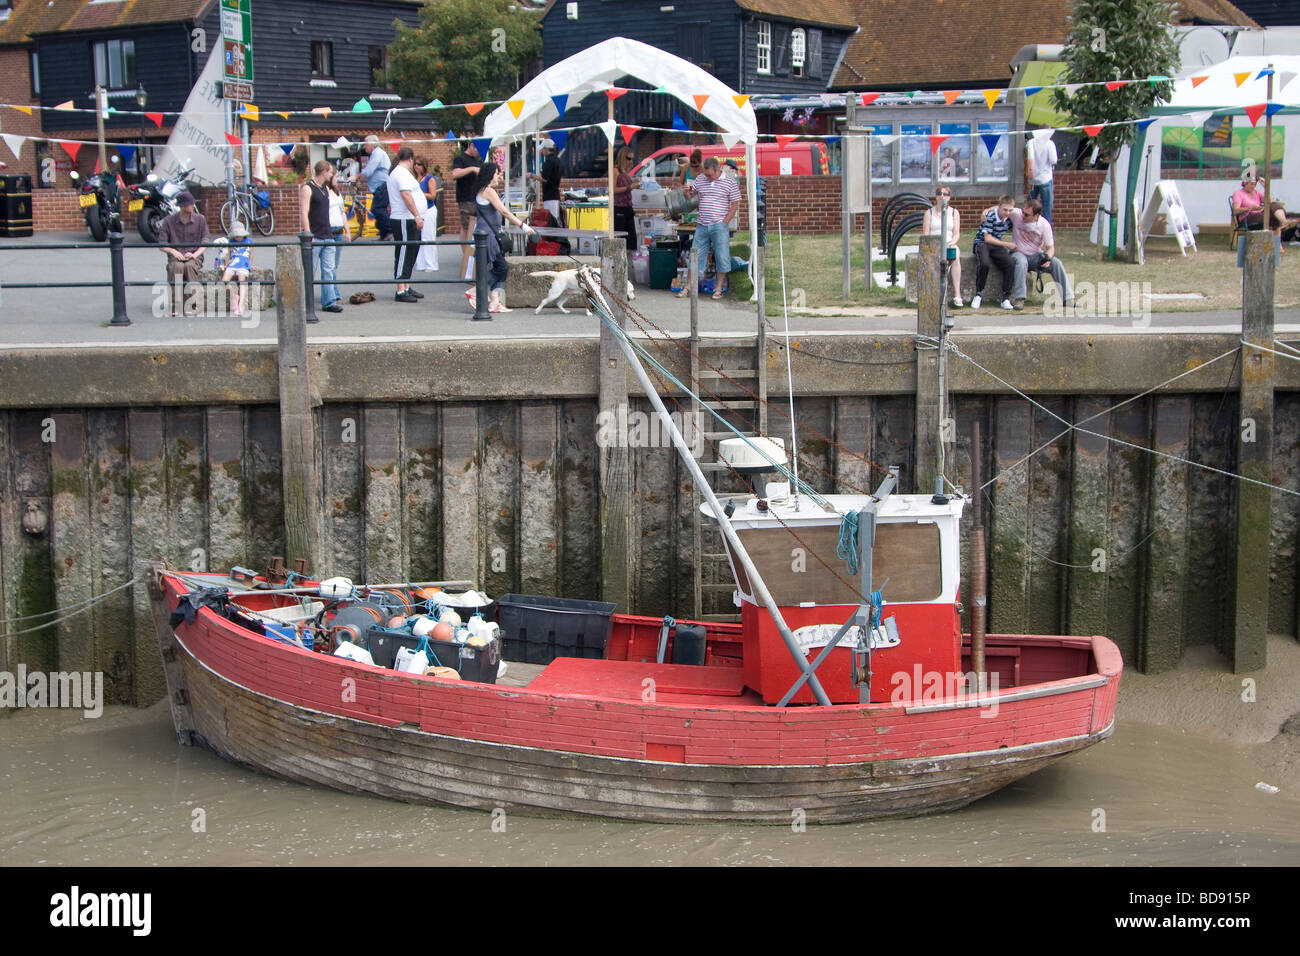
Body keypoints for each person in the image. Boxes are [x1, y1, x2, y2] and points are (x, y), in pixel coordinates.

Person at [470, 160, 534, 314]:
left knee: (488, 267)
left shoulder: (481, 190)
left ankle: (494, 302)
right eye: (497, 173)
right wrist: (523, 225)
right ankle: (476, 291)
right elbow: (504, 211)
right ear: (491, 174)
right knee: (502, 267)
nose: (499, 176)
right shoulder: (489, 191)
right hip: (490, 236)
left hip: (483, 234)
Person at [677, 156, 740, 300]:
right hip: (702, 224)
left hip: (719, 224)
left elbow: (735, 204)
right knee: (696, 255)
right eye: (706, 174)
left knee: (721, 256)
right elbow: (690, 197)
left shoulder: (729, 181)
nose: (707, 177)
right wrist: (686, 192)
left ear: (718, 170)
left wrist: (725, 221)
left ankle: (718, 288)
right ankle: (688, 286)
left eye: (710, 174)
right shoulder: (700, 179)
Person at [1007, 198, 1072, 310]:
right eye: (1023, 212)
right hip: (1018, 252)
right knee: (1021, 261)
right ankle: (1019, 299)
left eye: (1027, 215)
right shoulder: (1017, 214)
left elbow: (1050, 248)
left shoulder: (1044, 225)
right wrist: (986, 211)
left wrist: (1048, 258)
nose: (1023, 216)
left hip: (1035, 255)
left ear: (1036, 216)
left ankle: (1068, 299)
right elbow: (1001, 208)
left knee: (1056, 263)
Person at [301, 159, 343, 313]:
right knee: (310, 270)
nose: (332, 175)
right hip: (315, 236)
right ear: (324, 171)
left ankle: (329, 301)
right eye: (331, 172)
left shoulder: (325, 188)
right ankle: (306, 301)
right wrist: (307, 233)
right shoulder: (307, 188)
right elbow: (304, 212)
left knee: (329, 270)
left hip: (328, 234)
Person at [157, 190, 208, 317]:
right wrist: (173, 251)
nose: (192, 206)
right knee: (177, 267)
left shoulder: (200, 219)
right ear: (182, 206)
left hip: (193, 255)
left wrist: (195, 254)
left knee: (190, 266)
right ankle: (176, 304)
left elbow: (205, 241)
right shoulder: (169, 221)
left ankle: (193, 303)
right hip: (176, 256)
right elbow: (161, 244)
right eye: (190, 204)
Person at [388, 146, 426, 303]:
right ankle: (400, 289)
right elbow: (406, 194)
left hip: (408, 218)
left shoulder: (401, 173)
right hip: (404, 218)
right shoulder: (401, 173)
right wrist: (416, 215)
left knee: (411, 251)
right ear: (410, 159)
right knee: (404, 252)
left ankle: (406, 285)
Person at [970, 195, 1017, 311]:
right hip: (982, 243)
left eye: (1010, 210)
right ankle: (978, 294)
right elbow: (987, 239)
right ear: (999, 207)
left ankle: (1006, 297)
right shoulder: (990, 215)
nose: (1007, 213)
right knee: (985, 263)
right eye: (1005, 210)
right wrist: (1007, 244)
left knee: (1010, 263)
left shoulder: (1011, 217)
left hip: (996, 245)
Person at [922, 186, 963, 308]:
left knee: (955, 257)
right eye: (939, 193)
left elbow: (956, 233)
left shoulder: (954, 213)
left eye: (945, 194)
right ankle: (933, 296)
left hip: (949, 243)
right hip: (934, 244)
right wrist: (932, 244)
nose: (942, 196)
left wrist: (952, 242)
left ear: (949, 197)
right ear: (936, 196)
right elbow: (926, 233)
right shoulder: (929, 213)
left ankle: (957, 294)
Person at [449, 140, 481, 280]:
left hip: (476, 197)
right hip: (466, 198)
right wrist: (472, 169)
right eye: (477, 149)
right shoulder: (461, 158)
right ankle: (466, 257)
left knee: (474, 228)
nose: (479, 153)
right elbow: (454, 174)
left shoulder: (476, 159)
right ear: (471, 146)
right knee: (466, 227)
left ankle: (471, 256)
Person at [326, 166, 352, 309]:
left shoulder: (337, 193)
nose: (338, 179)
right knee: (329, 266)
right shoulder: (324, 192)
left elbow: (342, 213)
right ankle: (333, 293)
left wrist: (347, 231)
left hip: (338, 231)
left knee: (334, 265)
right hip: (328, 231)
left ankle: (333, 291)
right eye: (336, 176)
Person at [359, 134, 392, 241]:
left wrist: (356, 177)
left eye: (366, 144)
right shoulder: (374, 154)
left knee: (377, 208)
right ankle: (384, 234)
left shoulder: (378, 153)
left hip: (382, 186)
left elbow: (368, 171)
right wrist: (360, 179)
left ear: (372, 144)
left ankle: (390, 229)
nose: (364, 147)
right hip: (379, 187)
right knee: (380, 209)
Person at [528, 138, 564, 222]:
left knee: (551, 221)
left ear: (546, 149)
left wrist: (531, 175)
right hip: (555, 195)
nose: (542, 151)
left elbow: (544, 178)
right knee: (555, 219)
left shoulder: (549, 162)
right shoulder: (557, 160)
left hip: (549, 196)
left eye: (543, 149)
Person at [1026, 127, 1058, 222]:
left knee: (1030, 205)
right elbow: (1053, 160)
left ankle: (1029, 223)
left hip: (1032, 179)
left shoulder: (1030, 142)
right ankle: (1046, 226)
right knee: (1047, 206)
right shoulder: (1050, 143)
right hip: (1045, 178)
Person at [414, 156, 439, 273]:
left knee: (428, 236)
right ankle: (421, 263)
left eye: (419, 164)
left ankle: (431, 264)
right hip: (419, 211)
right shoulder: (415, 178)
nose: (416, 166)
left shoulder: (430, 178)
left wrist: (420, 194)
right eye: (415, 164)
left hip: (428, 210)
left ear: (424, 166)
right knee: (419, 237)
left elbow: (432, 195)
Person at [221, 221, 252, 317]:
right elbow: (228, 254)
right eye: (236, 236)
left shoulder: (249, 241)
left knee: (241, 281)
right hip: (232, 264)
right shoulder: (230, 242)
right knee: (224, 281)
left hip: (243, 264)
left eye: (240, 235)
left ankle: (240, 305)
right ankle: (234, 298)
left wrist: (250, 264)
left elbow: (251, 254)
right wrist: (226, 265)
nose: (238, 237)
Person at [611, 147, 636, 249]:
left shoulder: (624, 172)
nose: (630, 161)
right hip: (619, 207)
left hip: (628, 207)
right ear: (622, 157)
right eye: (628, 158)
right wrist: (629, 187)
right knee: (621, 237)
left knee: (631, 238)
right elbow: (613, 190)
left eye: (632, 159)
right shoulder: (615, 170)